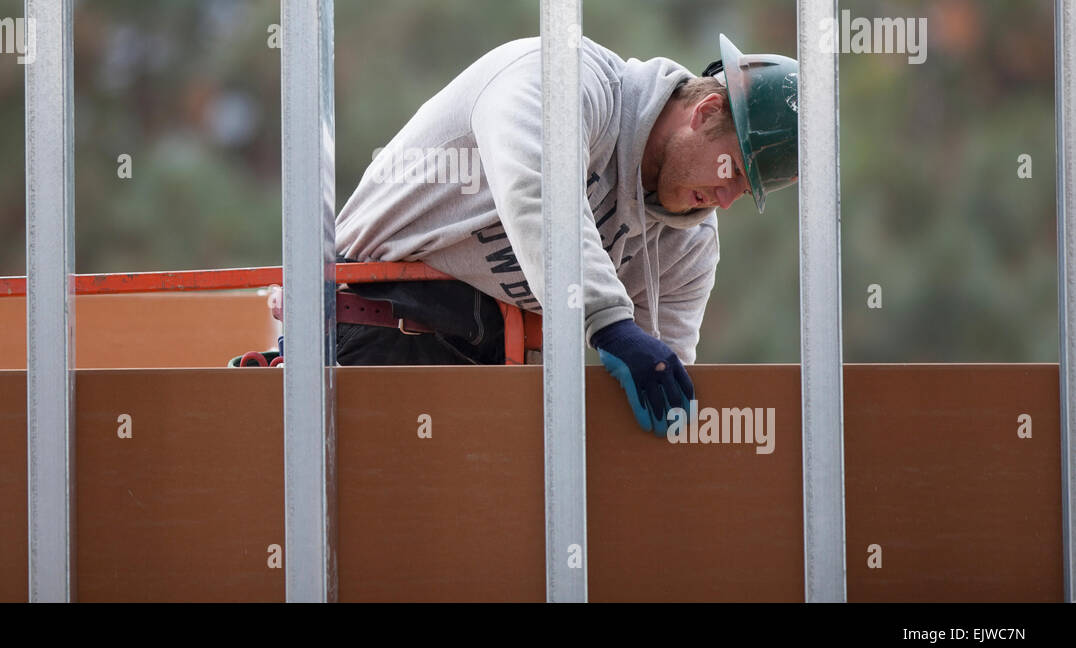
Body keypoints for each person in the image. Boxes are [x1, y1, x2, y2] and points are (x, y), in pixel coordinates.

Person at [331, 33, 799, 436]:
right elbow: (538, 192)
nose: (725, 200)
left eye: (744, 191)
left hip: (502, 379)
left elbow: (662, 374)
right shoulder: (562, 77)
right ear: (705, 111)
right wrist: (611, 322)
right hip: (378, 336)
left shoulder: (688, 242)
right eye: (732, 170)